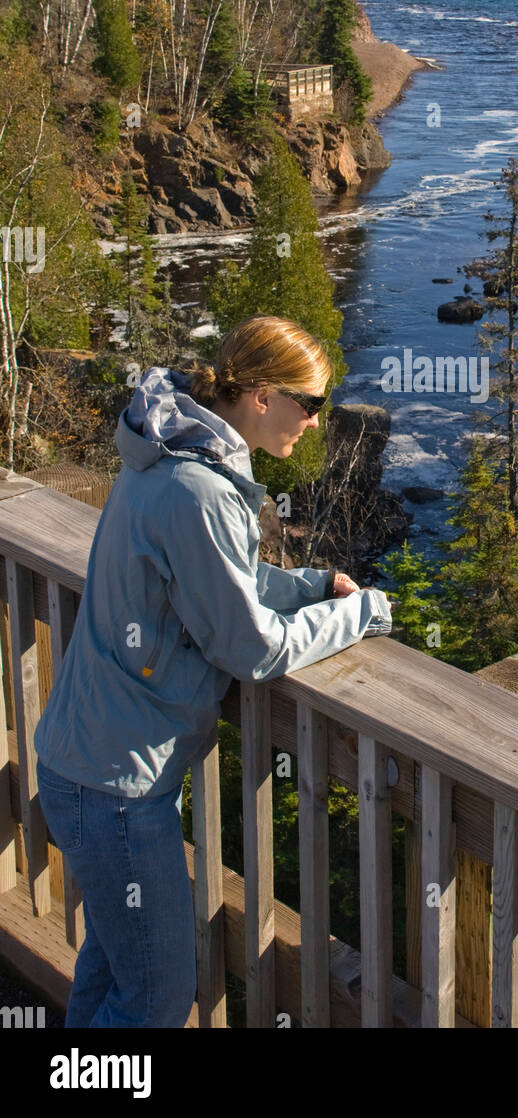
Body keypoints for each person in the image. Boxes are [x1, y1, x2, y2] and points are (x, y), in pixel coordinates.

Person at [33, 314, 393, 1027]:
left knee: (109, 973)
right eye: (312, 403)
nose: (318, 423)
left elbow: (215, 579)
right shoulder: (198, 488)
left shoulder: (173, 454)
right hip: (117, 790)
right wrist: (363, 613)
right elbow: (251, 648)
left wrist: (311, 587)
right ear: (261, 395)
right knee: (157, 1001)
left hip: (87, 764)